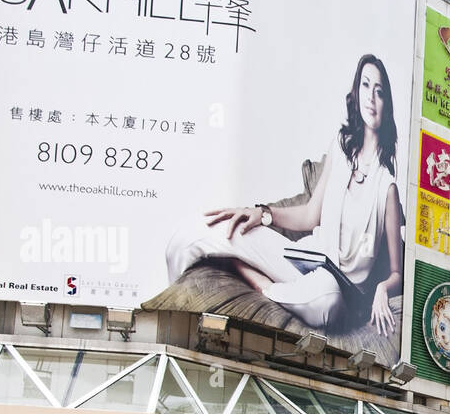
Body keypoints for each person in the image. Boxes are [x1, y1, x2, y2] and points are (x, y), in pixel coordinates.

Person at [166, 54, 404, 336]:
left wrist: (381, 288)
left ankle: (251, 277)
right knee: (191, 237)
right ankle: (180, 333)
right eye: (365, 86)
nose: (371, 98)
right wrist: (263, 214)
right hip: (303, 260)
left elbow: (397, 273)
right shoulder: (340, 150)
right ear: (357, 91)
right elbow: (309, 215)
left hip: (335, 291)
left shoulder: (387, 187)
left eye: (379, 91)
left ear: (386, 103)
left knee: (325, 300)